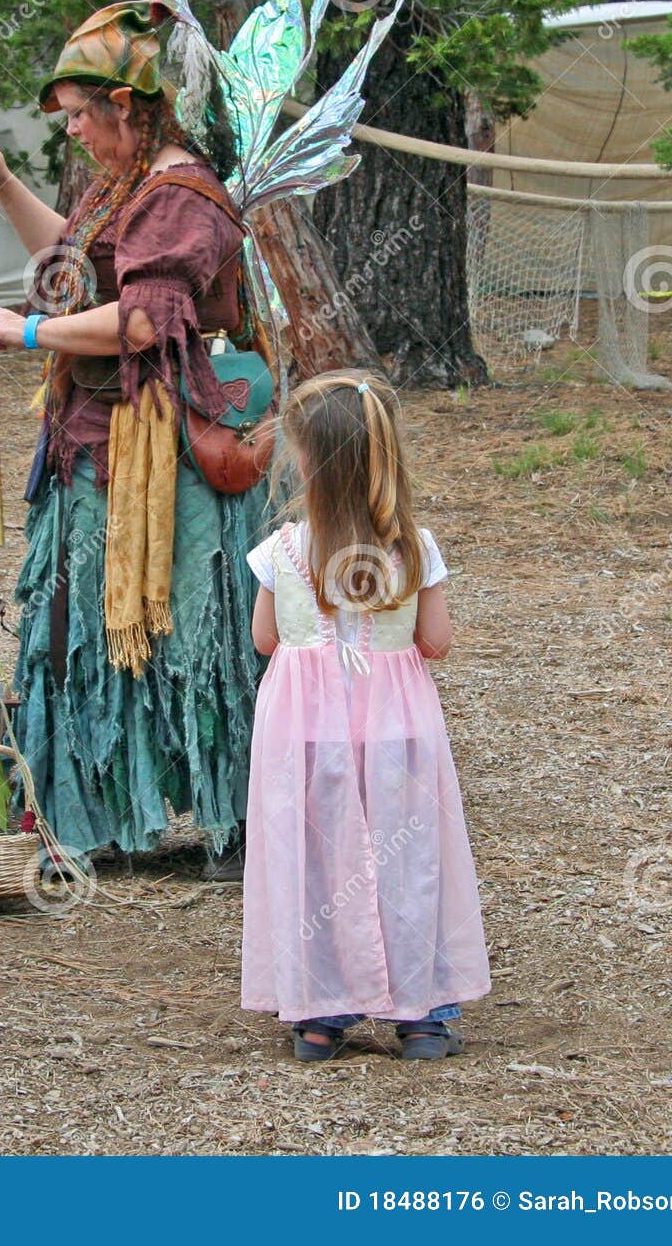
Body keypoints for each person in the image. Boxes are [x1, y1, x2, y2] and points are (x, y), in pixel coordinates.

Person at [0, 0, 266, 873]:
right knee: (80, 626)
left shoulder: (181, 197)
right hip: (91, 436)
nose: (74, 137)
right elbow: (69, 261)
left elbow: (141, 323)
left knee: (187, 630)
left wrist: (26, 337)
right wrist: (0, 184)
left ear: (127, 108)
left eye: (80, 118)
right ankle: (88, 812)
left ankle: (226, 815)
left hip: (159, 450)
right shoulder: (124, 183)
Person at [241, 372, 490, 1061]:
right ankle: (421, 1015)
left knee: (317, 861)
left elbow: (267, 640)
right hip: (394, 726)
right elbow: (435, 642)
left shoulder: (282, 550)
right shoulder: (415, 548)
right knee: (408, 855)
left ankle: (321, 1014)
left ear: (307, 463)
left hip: (305, 731)